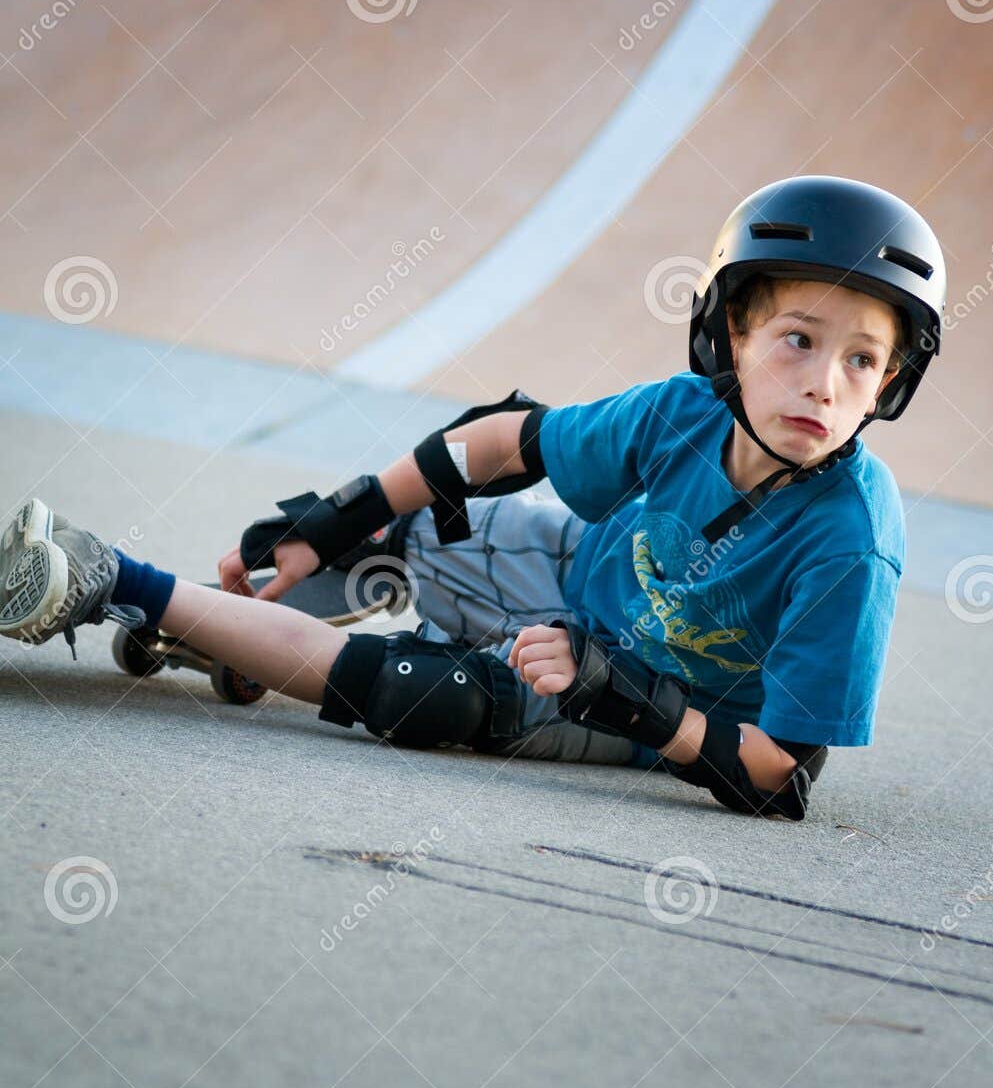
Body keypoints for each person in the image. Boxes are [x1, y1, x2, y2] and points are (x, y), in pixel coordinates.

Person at [0, 175, 945, 822]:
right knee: (399, 519)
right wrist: (342, 514)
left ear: (890, 381)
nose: (825, 383)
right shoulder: (680, 414)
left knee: (424, 697)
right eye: (797, 340)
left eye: (861, 359)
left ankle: (104, 579)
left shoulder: (849, 540)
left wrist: (632, 700)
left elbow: (780, 776)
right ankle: (229, 627)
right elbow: (499, 440)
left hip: (664, 705)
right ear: (728, 334)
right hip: (584, 584)